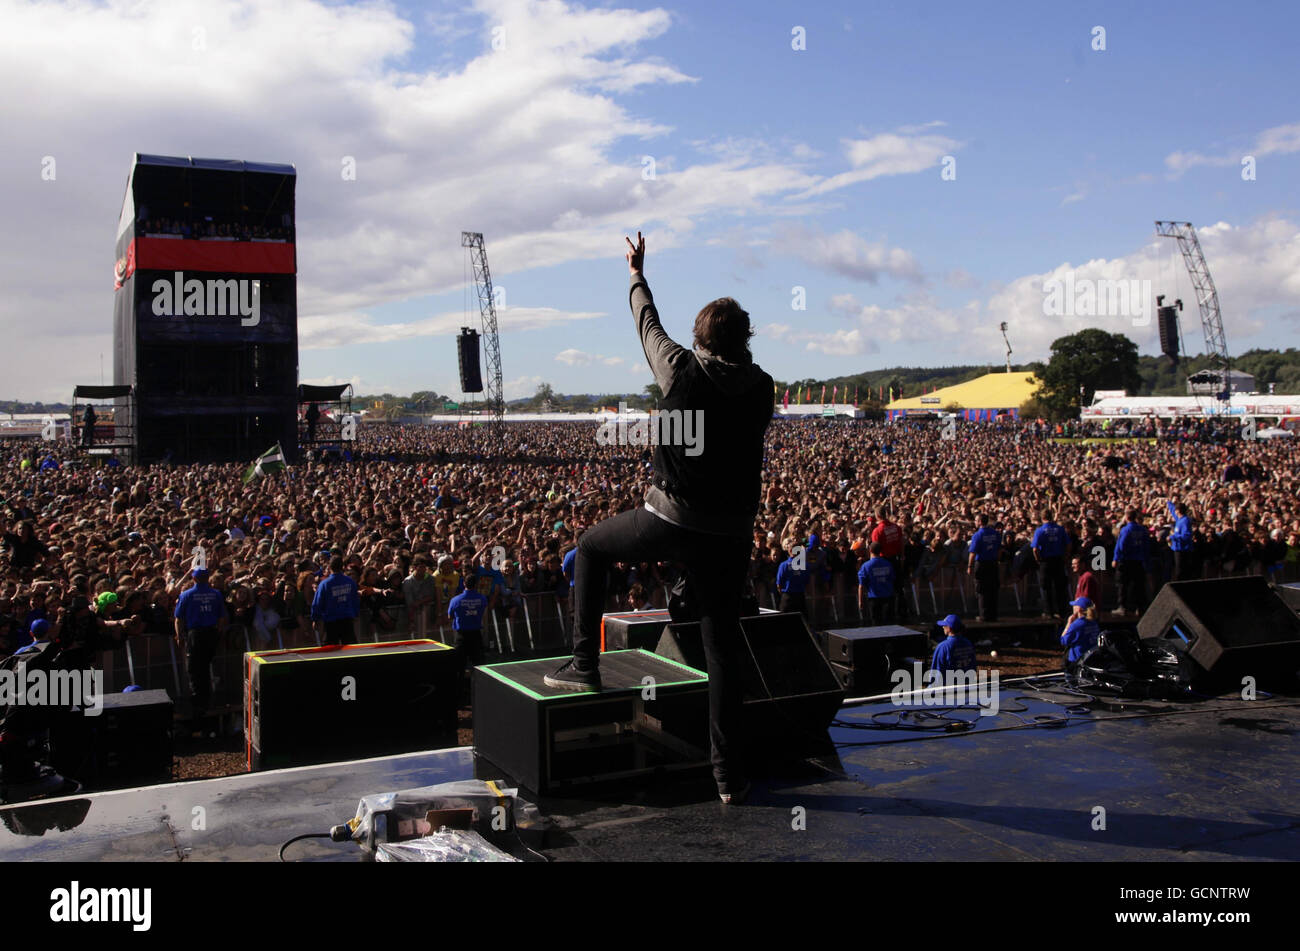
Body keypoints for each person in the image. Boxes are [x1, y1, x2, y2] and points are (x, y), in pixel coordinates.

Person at [544, 231, 775, 806]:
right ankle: (729, 777)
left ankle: (582, 664)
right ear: (746, 339)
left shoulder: (679, 368)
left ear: (698, 339)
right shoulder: (764, 386)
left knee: (592, 547)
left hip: (672, 518)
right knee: (724, 648)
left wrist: (635, 272)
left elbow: (646, 322)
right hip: (730, 532)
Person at [173, 568, 228, 736]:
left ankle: (199, 707)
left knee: (195, 671)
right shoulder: (216, 594)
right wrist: (219, 632)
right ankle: (206, 702)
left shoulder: (186, 595)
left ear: (194, 578)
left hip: (195, 634)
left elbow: (179, 618)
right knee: (206, 668)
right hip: (211, 633)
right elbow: (222, 617)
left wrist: (179, 636)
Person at [447, 575, 489, 694]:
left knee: (459, 666)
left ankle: (459, 692)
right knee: (479, 665)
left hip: (461, 636)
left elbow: (450, 616)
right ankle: (481, 690)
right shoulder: (482, 598)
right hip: (476, 635)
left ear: (464, 584)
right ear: (476, 585)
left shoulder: (455, 600)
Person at [311, 556, 360, 645]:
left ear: (329, 567)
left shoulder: (325, 584)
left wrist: (315, 618)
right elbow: (355, 599)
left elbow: (317, 603)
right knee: (351, 648)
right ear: (342, 567)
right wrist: (355, 613)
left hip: (331, 621)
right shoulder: (350, 581)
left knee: (332, 650)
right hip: (347, 619)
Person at [1032, 508, 1069, 618]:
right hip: (1058, 560)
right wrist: (1065, 557)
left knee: (1046, 587)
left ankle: (1049, 612)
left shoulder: (1040, 531)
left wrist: (1038, 559)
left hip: (1046, 561)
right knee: (1060, 587)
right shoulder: (1060, 529)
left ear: (1042, 518)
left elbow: (1035, 549)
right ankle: (1062, 611)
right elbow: (1068, 544)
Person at [1113, 508, 1150, 616]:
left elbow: (1121, 545)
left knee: (1122, 584)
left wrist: (1116, 558)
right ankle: (1139, 607)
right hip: (1139, 561)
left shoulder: (1126, 530)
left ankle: (1122, 607)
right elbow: (1146, 546)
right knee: (1138, 585)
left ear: (1127, 517)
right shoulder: (1142, 530)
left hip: (1126, 561)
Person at [966, 514, 1001, 622]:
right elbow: (999, 549)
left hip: (981, 564)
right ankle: (993, 615)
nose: (975, 522)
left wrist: (969, 566)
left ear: (980, 522)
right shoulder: (995, 533)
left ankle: (984, 615)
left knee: (981, 590)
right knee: (992, 589)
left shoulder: (977, 535)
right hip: (993, 563)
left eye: (976, 520)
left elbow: (972, 553)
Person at [1060, 597, 1100, 682]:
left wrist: (1068, 623)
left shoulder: (1077, 624)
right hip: (1089, 660)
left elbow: (1063, 640)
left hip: (1076, 662)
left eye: (1074, 605)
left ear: (1079, 609)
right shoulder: (1093, 623)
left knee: (1073, 685)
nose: (1073, 607)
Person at [857, 541, 895, 625]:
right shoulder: (888, 564)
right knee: (889, 625)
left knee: (876, 625)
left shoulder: (866, 566)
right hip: (888, 597)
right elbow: (892, 579)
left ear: (870, 550)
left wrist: (860, 601)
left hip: (874, 598)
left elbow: (861, 585)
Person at [775, 543, 809, 615]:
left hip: (788, 597)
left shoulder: (784, 565)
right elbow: (806, 580)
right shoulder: (805, 565)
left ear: (789, 551)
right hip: (800, 597)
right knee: (802, 619)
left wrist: (782, 593)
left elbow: (779, 583)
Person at [1168, 502, 1195, 581]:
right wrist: (1168, 502)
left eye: (1176, 510)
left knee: (1181, 572)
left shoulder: (1185, 521)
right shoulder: (1180, 519)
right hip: (1178, 549)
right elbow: (1173, 511)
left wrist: (1172, 537)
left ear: (1178, 511)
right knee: (1178, 570)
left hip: (1183, 550)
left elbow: (1186, 535)